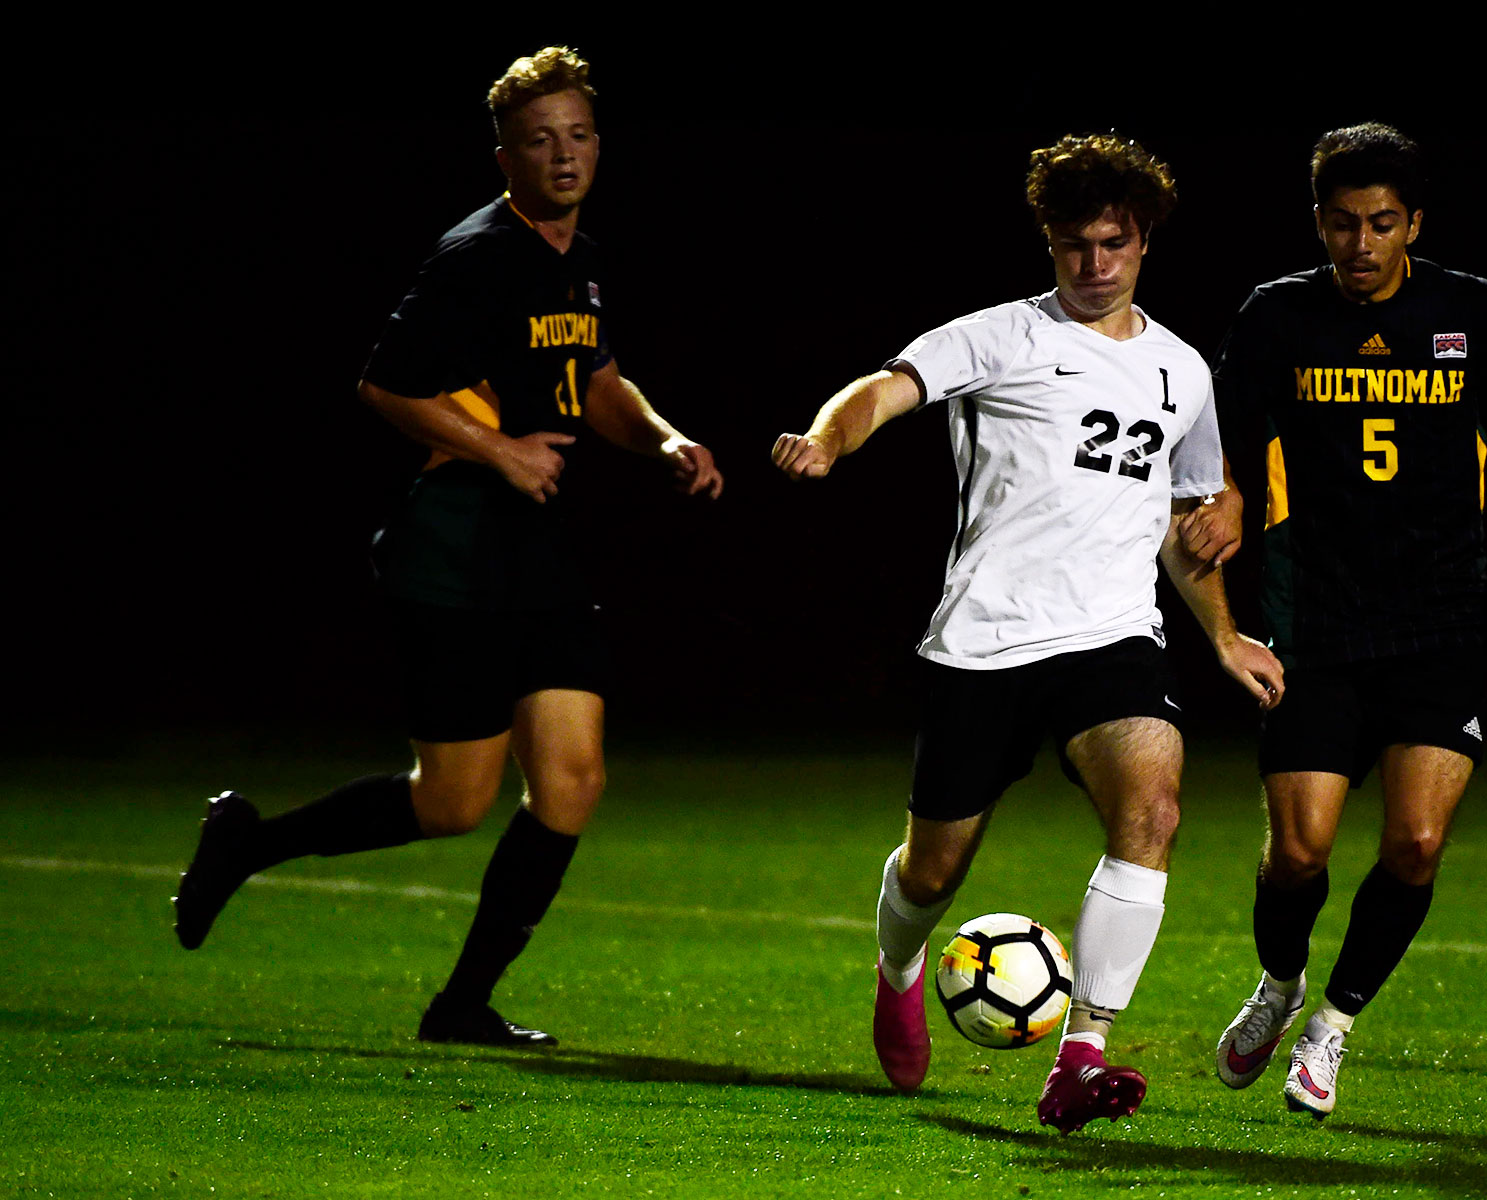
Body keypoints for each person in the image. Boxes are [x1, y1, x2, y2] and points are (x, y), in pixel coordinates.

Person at [172, 46, 723, 1048]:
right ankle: (250, 842)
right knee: (452, 801)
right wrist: (501, 451)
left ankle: (461, 1004)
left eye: (578, 135)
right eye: (539, 140)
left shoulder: (579, 257)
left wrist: (666, 439)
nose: (563, 155)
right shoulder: (474, 258)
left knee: (572, 780)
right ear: (504, 155)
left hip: (540, 553)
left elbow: (598, 380)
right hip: (454, 548)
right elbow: (384, 385)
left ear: (598, 144)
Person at [772, 133, 1283, 1133]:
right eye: (1074, 246)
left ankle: (1081, 1056)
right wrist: (830, 439)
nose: (1095, 266)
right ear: (1049, 243)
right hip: (987, 643)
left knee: (1154, 812)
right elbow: (883, 390)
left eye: (1114, 245)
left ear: (1144, 243)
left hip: (1113, 637)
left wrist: (1222, 635)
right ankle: (901, 961)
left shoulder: (1183, 372)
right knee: (933, 869)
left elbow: (1185, 532)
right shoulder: (998, 336)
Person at [1203, 123, 1487, 1119]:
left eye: (1381, 225)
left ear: (1413, 225)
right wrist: (1220, 500)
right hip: (1313, 623)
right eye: (1342, 225)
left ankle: (1332, 1029)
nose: (1360, 245)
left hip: (1443, 621)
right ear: (1318, 223)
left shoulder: (1466, 309)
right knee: (1299, 853)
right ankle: (1279, 984)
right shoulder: (1276, 317)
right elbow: (1222, 439)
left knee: (1417, 845)